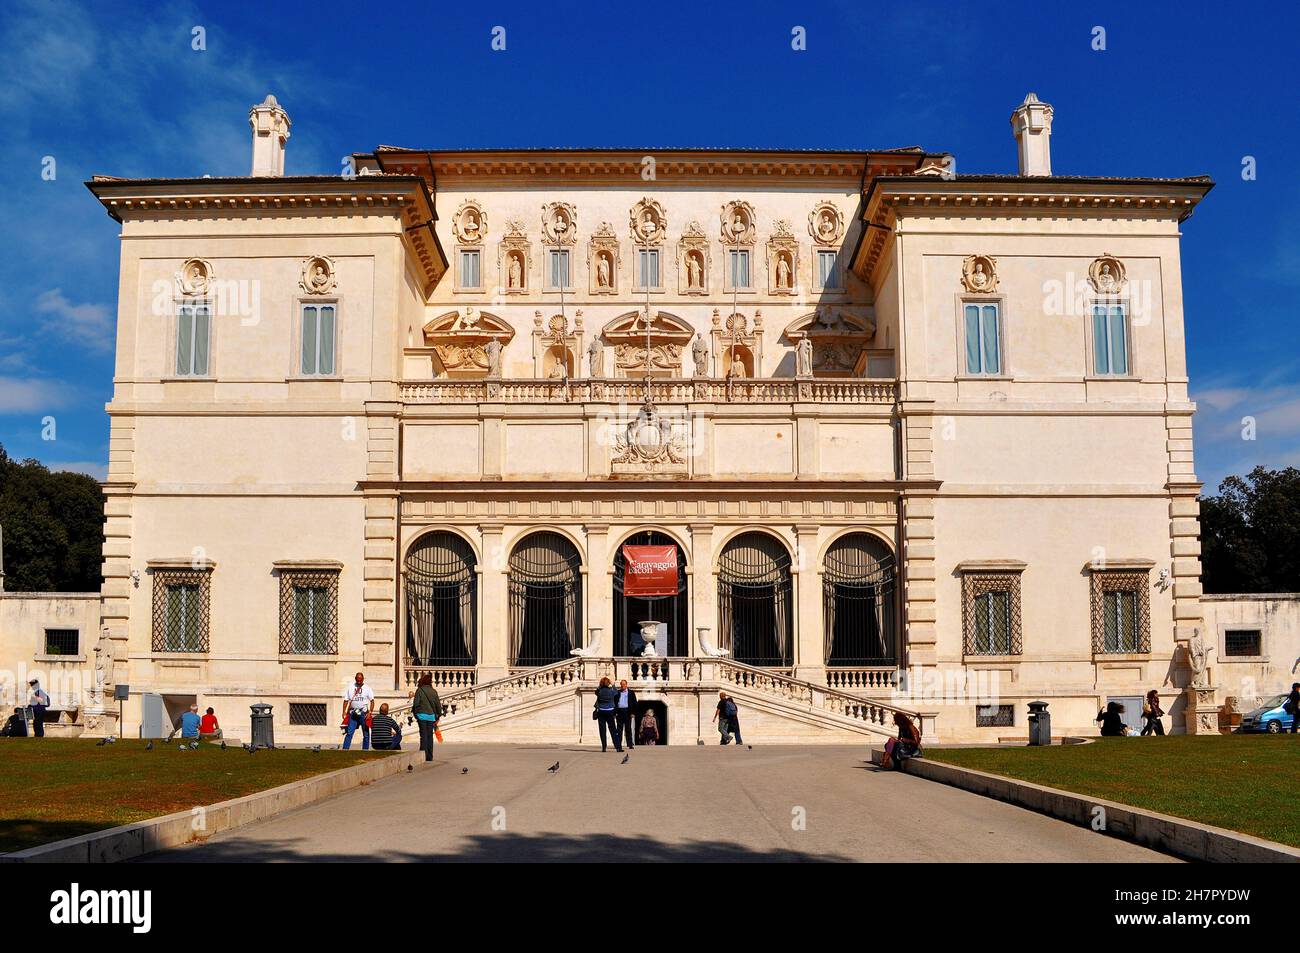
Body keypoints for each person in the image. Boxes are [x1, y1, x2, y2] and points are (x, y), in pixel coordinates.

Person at [411, 674, 443, 761]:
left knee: (423, 736)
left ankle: (423, 755)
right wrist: (438, 716)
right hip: (431, 717)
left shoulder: (419, 691)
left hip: (421, 716)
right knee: (429, 736)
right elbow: (438, 705)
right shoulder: (434, 691)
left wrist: (416, 715)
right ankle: (429, 756)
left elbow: (416, 704)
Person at [341, 671, 375, 750]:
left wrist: (370, 712)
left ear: (363, 679)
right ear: (355, 679)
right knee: (349, 732)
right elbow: (346, 700)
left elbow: (372, 701)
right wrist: (344, 712)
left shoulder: (367, 688)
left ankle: (365, 750)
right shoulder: (351, 687)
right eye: (358, 680)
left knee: (366, 734)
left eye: (360, 680)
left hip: (363, 713)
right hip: (353, 713)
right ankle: (345, 749)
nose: (359, 681)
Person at [593, 676, 621, 752]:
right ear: (608, 683)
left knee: (602, 730)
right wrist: (613, 684)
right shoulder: (611, 690)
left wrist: (600, 686)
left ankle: (604, 747)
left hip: (601, 711)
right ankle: (618, 747)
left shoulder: (600, 691)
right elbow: (616, 692)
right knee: (613, 730)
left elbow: (596, 692)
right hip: (610, 711)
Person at [615, 679, 638, 750]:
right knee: (619, 729)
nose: (622, 686)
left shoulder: (631, 693)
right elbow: (615, 702)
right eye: (621, 684)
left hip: (628, 712)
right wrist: (615, 712)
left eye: (624, 684)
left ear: (626, 685)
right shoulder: (617, 692)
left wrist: (633, 713)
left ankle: (630, 744)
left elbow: (635, 703)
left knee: (628, 729)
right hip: (619, 712)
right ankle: (619, 745)